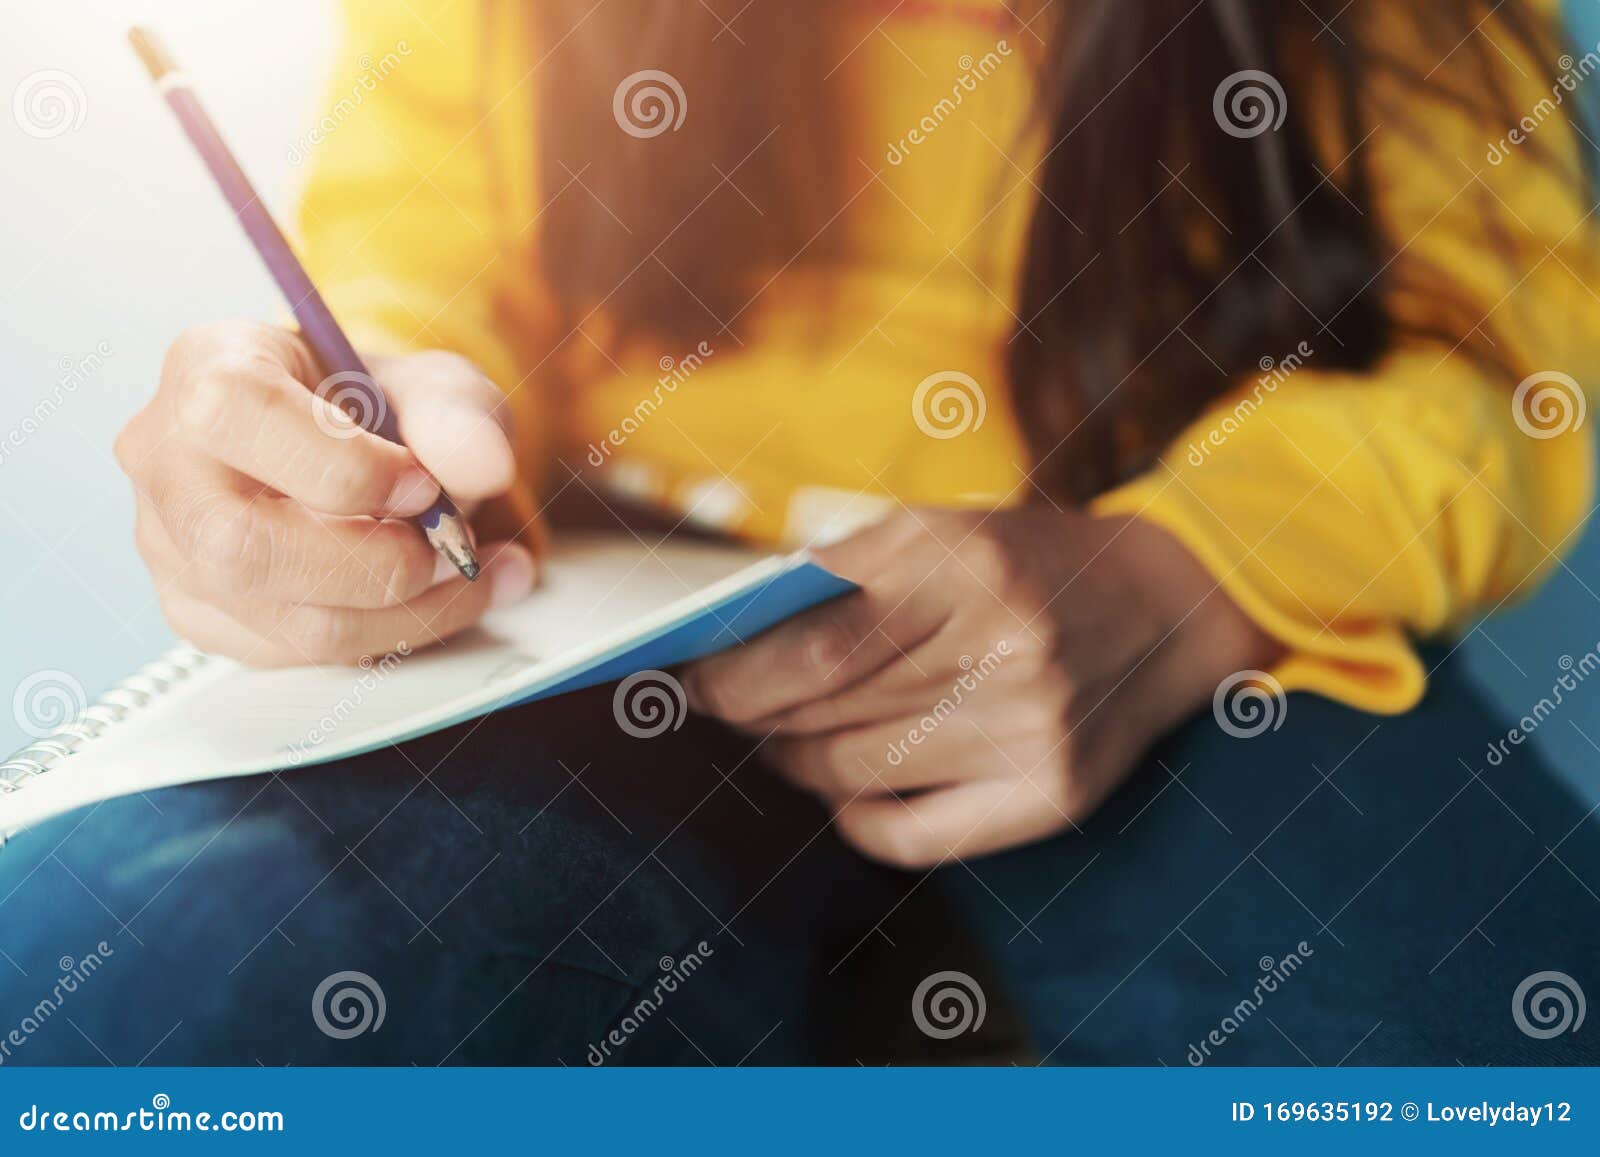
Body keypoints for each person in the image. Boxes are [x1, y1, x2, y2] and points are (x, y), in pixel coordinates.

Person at [3, 0, 1598, 1065]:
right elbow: (418, 257)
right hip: (619, 615)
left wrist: (1176, 577)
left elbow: (1515, 366)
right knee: (125, 962)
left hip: (1183, 612)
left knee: (1481, 1033)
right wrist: (378, 405)